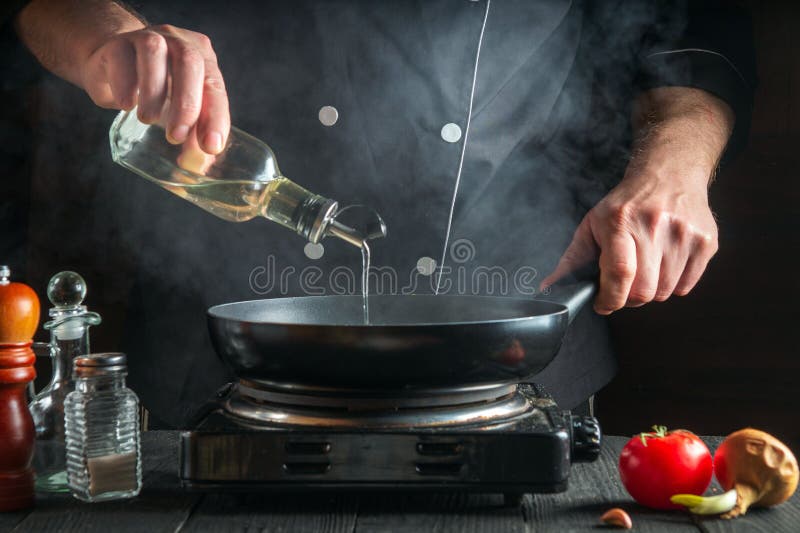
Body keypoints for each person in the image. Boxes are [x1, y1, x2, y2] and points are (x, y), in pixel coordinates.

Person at [5, 0, 755, 426]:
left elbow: (694, 25)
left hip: (520, 379)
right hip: (222, 381)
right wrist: (111, 38)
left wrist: (673, 171)